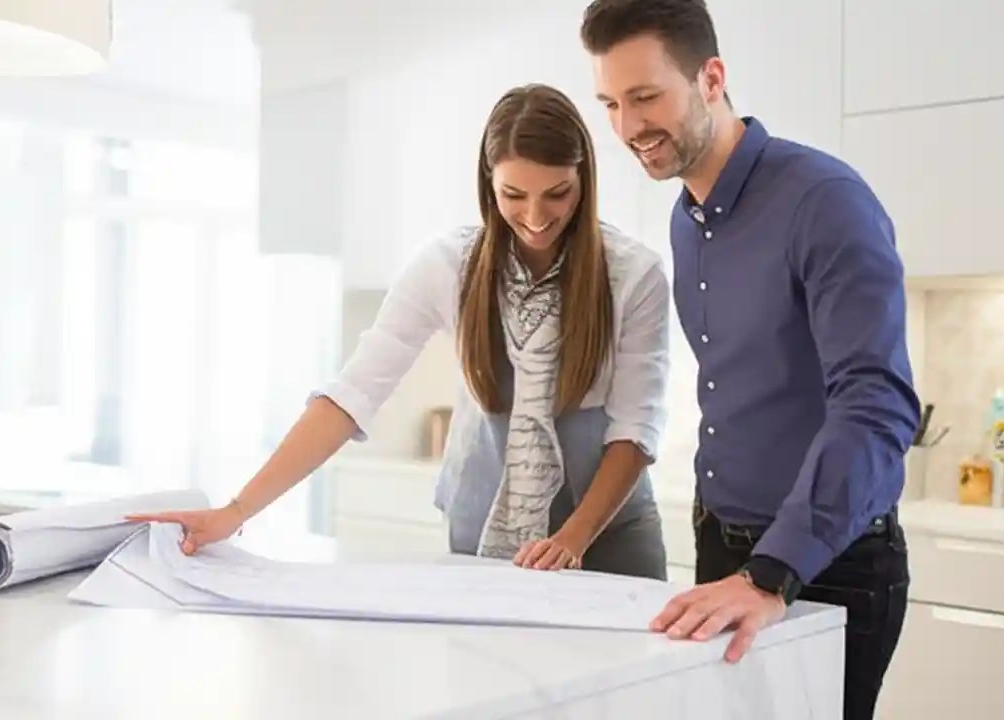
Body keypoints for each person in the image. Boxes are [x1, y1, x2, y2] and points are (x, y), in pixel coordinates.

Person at [128, 83, 673, 579]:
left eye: (557, 194)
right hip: (483, 535)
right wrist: (237, 511)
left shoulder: (633, 275)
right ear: (488, 185)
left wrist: (570, 539)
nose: (534, 217)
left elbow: (634, 429)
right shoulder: (448, 265)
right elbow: (352, 395)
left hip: (606, 541)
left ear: (585, 180)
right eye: (513, 195)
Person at [580, 1, 920, 718]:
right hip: (723, 549)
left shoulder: (825, 202)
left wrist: (771, 573)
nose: (627, 127)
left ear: (711, 78)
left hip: (826, 562)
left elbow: (877, 405)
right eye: (611, 102)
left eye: (646, 97)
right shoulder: (685, 219)